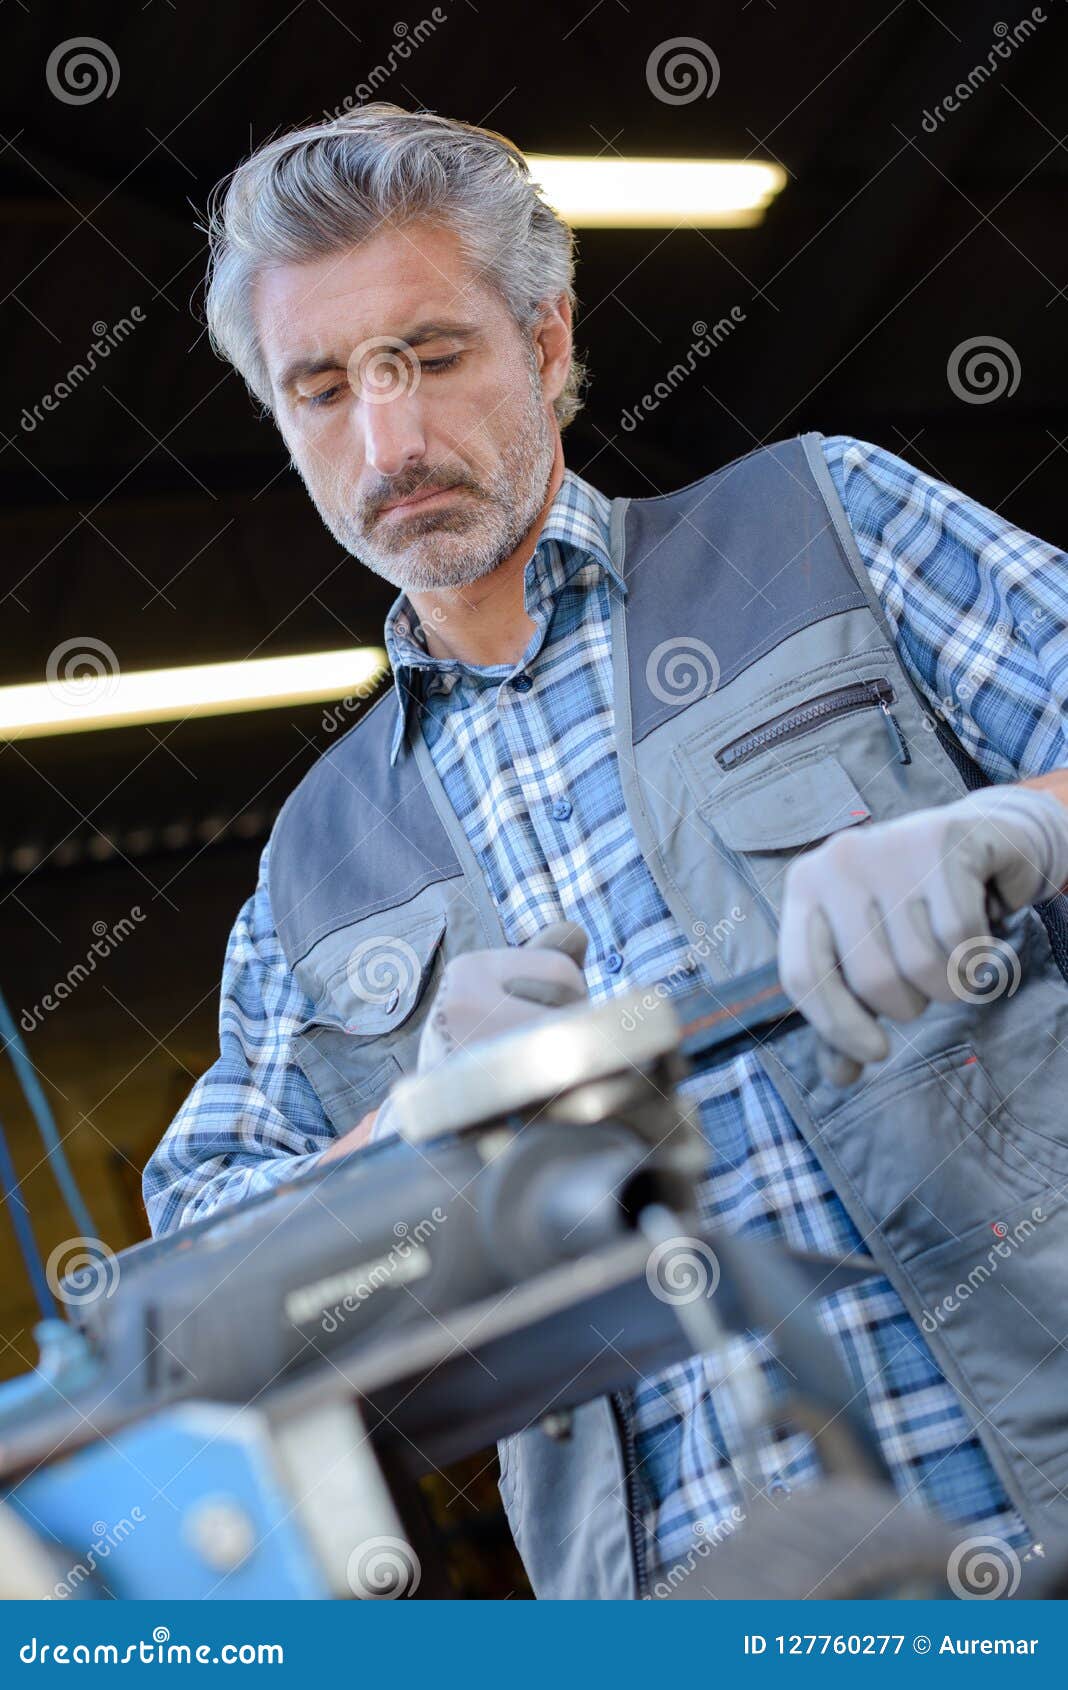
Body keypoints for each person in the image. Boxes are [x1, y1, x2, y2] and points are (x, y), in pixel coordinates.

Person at [142, 103, 1068, 1599]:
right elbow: (185, 1294)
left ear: (550, 338)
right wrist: (407, 1144)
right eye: (322, 388)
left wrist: (1019, 821)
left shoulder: (822, 526)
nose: (390, 441)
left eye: (432, 357)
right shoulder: (316, 863)